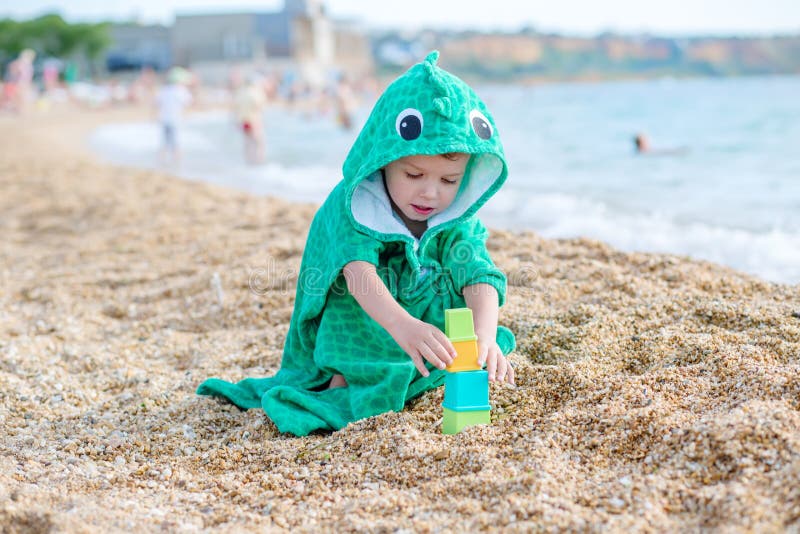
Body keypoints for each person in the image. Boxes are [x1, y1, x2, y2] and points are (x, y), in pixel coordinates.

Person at [197, 51, 516, 436]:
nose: (430, 192)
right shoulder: (357, 204)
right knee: (358, 290)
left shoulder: (454, 216)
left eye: (449, 180)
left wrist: (483, 334)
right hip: (363, 307)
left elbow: (477, 270)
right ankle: (346, 372)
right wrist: (405, 327)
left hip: (417, 298)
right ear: (384, 161)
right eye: (414, 174)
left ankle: (414, 358)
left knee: (468, 313)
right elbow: (358, 273)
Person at [155, 67, 192, 165]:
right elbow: (188, 103)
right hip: (175, 119)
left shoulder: (164, 90)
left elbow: (157, 103)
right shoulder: (181, 90)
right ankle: (177, 164)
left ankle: (160, 162)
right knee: (176, 142)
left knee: (164, 142)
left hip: (164, 119)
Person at [232, 73, 267, 164]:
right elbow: (259, 106)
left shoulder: (240, 92)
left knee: (247, 142)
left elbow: (235, 108)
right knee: (259, 143)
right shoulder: (255, 92)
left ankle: (249, 162)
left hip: (243, 121)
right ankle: (259, 162)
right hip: (253, 120)